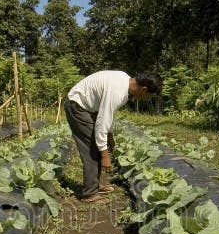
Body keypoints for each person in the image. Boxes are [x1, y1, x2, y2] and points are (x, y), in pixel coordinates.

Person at [63, 71, 162, 202]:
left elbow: (107, 115)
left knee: (96, 145)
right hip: (78, 106)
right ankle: (89, 194)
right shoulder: (118, 91)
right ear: (143, 89)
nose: (146, 99)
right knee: (91, 148)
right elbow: (102, 122)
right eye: (148, 96)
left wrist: (110, 136)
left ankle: (94, 185)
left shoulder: (124, 80)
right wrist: (105, 156)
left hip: (88, 107)